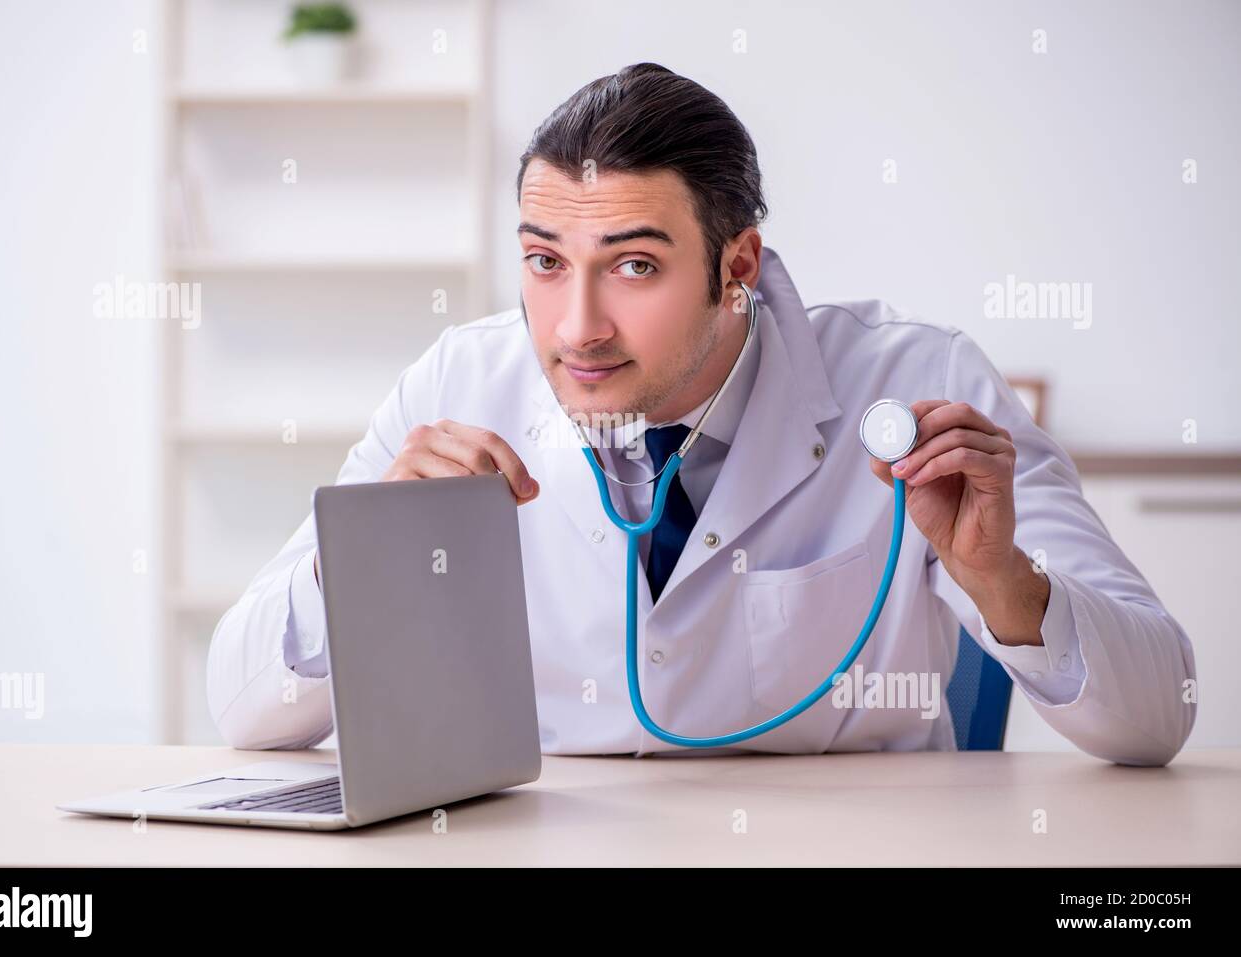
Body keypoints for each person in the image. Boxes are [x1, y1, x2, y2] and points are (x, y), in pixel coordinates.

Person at [206, 62, 1195, 766]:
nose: (576, 327)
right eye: (545, 261)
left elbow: (1158, 717)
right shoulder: (455, 385)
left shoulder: (916, 381)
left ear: (737, 268)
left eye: (635, 266)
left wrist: (1001, 579)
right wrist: (362, 564)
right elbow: (243, 712)